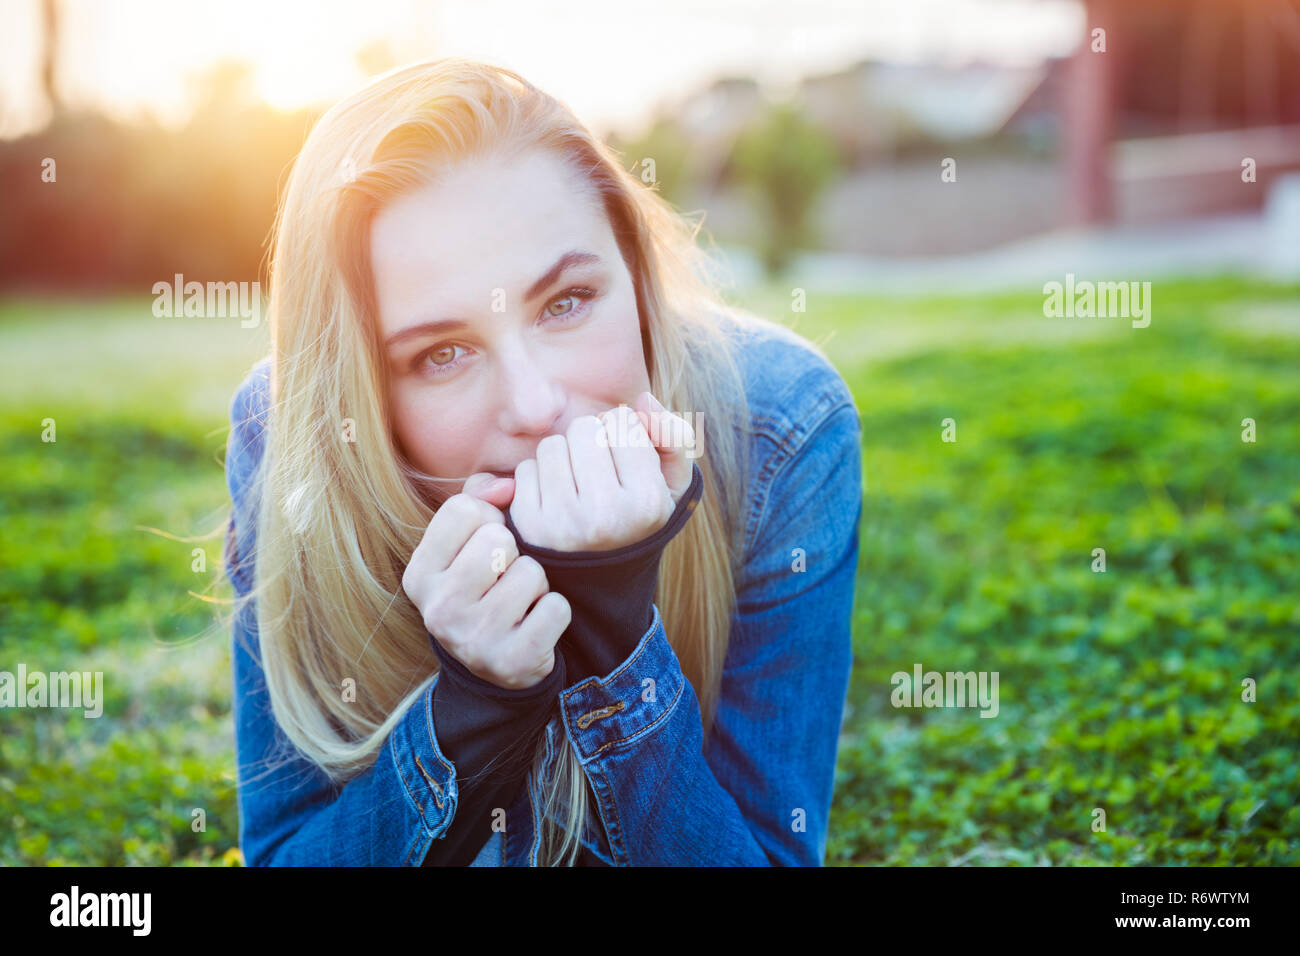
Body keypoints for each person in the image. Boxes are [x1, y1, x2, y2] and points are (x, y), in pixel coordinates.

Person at [224, 56, 862, 866]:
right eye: (442, 353)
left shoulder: (781, 426)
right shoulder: (290, 440)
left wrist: (612, 637)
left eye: (566, 303)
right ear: (362, 394)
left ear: (634, 272)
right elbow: (286, 854)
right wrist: (470, 714)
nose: (534, 406)